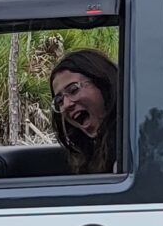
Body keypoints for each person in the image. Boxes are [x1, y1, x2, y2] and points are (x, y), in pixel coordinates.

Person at [50, 47, 121, 176]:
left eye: (73, 90)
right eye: (59, 100)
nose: (66, 105)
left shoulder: (128, 152)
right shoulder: (90, 155)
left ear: (103, 84)